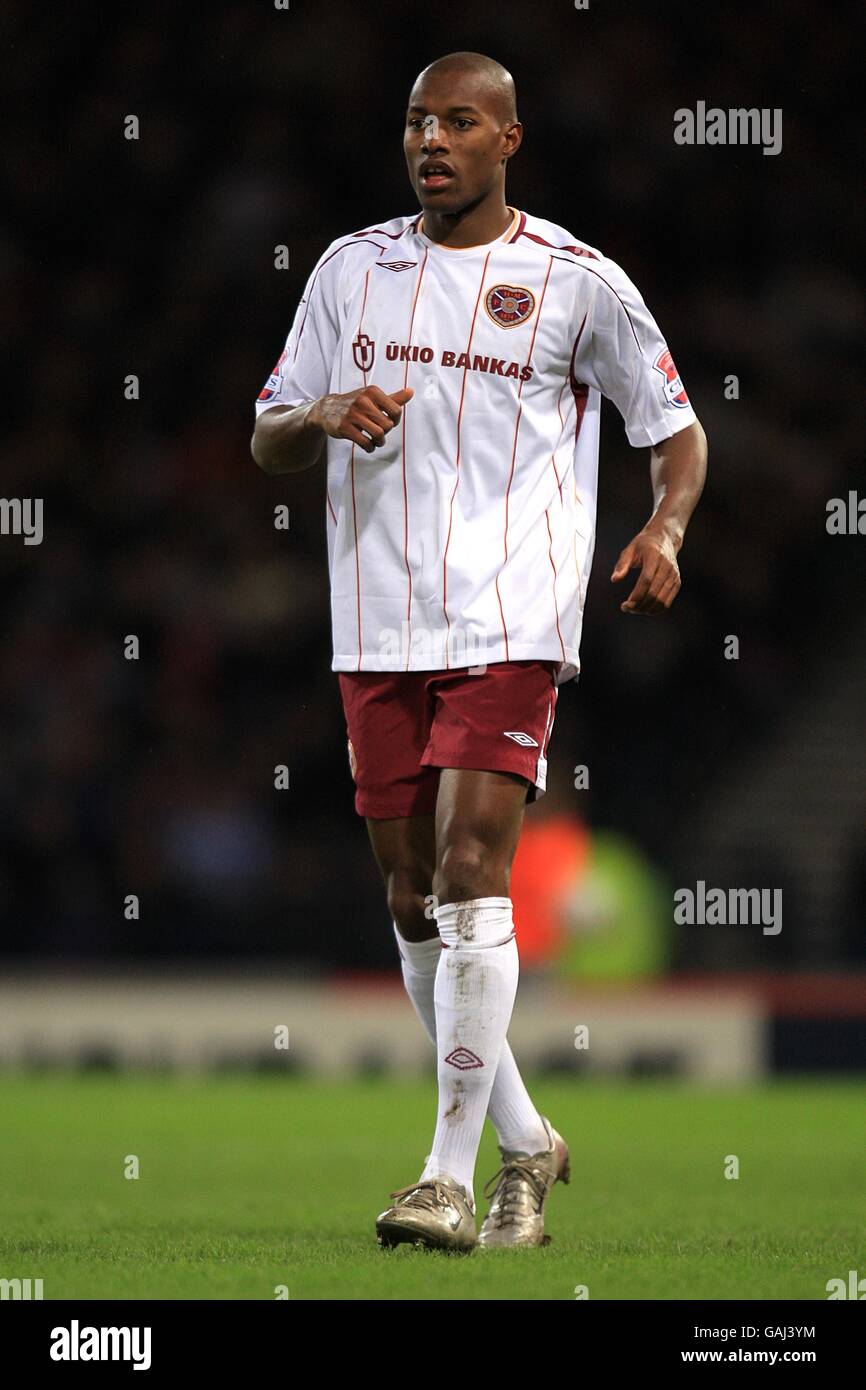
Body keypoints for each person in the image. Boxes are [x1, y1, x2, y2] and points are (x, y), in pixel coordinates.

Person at [251, 51, 707, 1251]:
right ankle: (526, 1144)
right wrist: (319, 415)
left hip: (511, 615)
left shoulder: (574, 282)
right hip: (375, 620)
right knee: (410, 897)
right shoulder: (350, 271)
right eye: (415, 121)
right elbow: (267, 433)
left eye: (459, 121)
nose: (431, 140)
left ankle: (443, 1179)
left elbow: (674, 429)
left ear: (510, 139)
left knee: (468, 869)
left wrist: (662, 524)